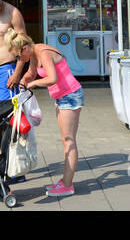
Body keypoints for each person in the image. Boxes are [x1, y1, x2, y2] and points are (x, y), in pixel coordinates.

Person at [5, 27, 83, 199]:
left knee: (69, 141)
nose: (19, 60)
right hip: (62, 97)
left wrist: (33, 84)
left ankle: (68, 186)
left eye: (18, 56)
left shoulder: (44, 52)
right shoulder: (33, 53)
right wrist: (24, 81)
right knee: (66, 140)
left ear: (24, 48)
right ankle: (65, 181)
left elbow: (52, 78)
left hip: (70, 96)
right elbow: (31, 73)